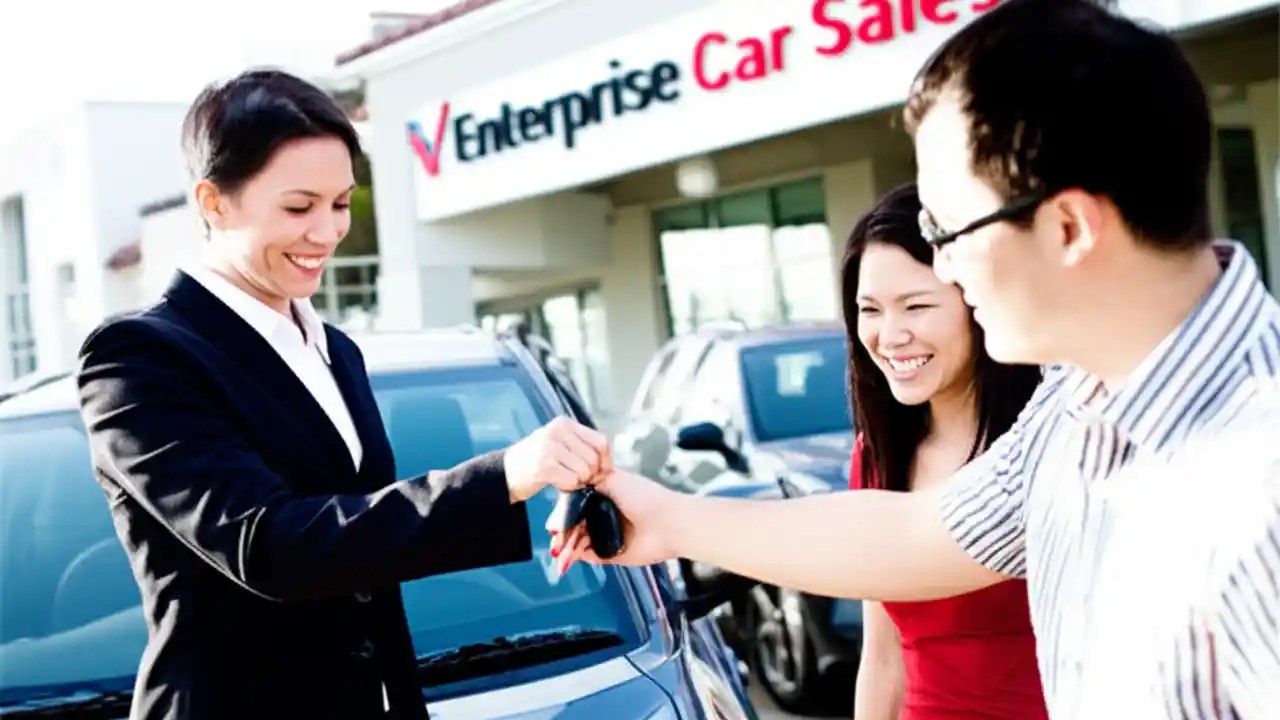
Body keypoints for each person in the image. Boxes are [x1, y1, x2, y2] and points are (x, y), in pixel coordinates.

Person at [552, 0, 1280, 716]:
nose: (946, 270)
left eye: (949, 230)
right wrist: (669, 519)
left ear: (1068, 227)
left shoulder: (1259, 484)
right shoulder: (1075, 404)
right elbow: (918, 534)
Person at [75, 69, 610, 720]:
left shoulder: (334, 349)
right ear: (213, 203)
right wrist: (502, 477)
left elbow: (364, 542)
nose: (328, 233)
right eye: (299, 207)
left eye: (340, 204)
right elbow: (269, 545)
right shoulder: (140, 358)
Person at [842, 183, 1046, 719]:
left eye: (917, 306)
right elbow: (882, 657)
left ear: (976, 302)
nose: (890, 335)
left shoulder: (1049, 437)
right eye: (870, 310)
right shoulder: (877, 457)